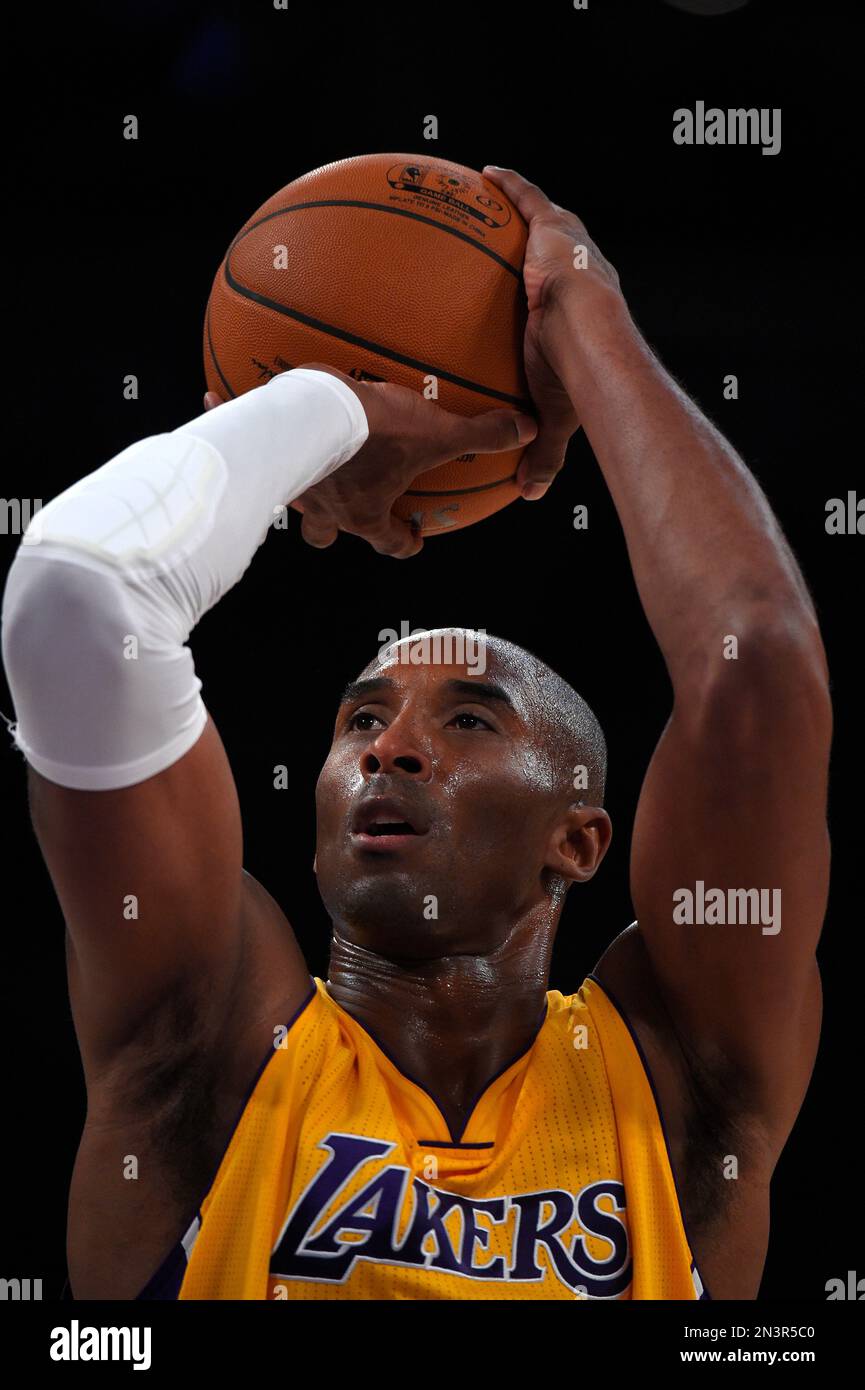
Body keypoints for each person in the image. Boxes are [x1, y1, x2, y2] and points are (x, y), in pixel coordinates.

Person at [1, 167, 831, 1301]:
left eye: (470, 718)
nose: (387, 749)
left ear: (580, 840)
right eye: (358, 722)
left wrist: (584, 318)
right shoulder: (209, 1048)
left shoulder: (677, 1078)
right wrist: (332, 411)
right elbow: (78, 596)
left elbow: (760, 667)